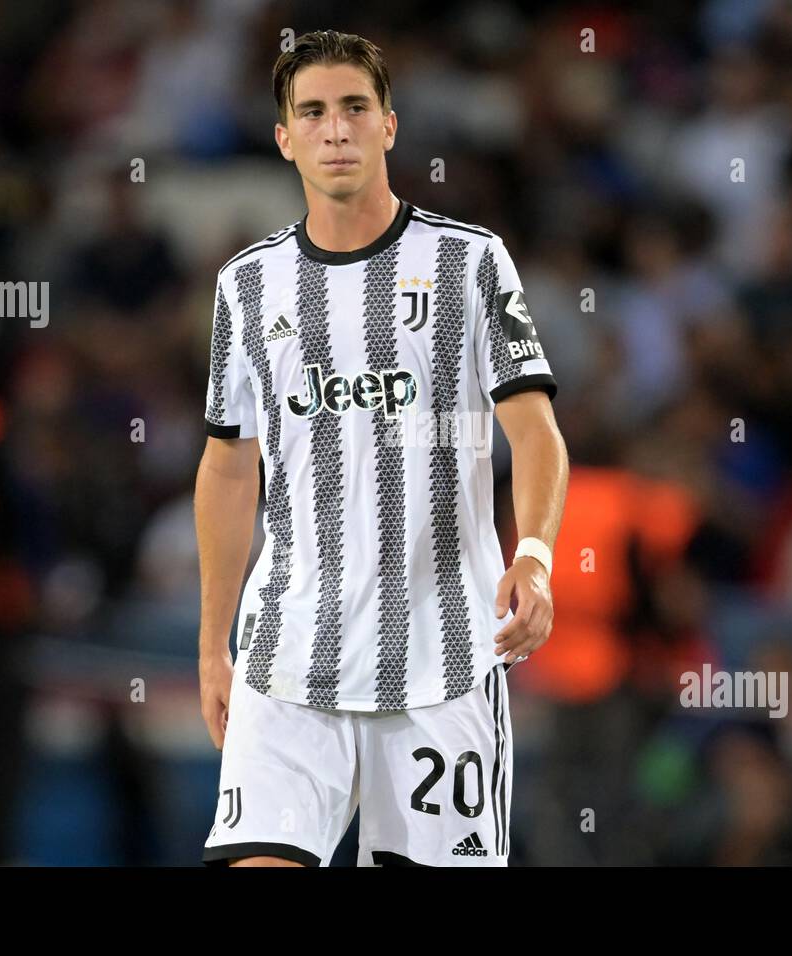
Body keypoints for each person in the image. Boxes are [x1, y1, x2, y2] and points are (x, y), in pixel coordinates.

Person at [196, 29, 569, 867]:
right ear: (285, 138)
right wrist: (212, 643)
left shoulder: (471, 264)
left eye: (355, 109)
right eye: (314, 113)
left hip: (440, 663)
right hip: (287, 658)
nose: (337, 130)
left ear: (389, 127)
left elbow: (535, 428)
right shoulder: (245, 286)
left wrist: (536, 554)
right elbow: (227, 465)